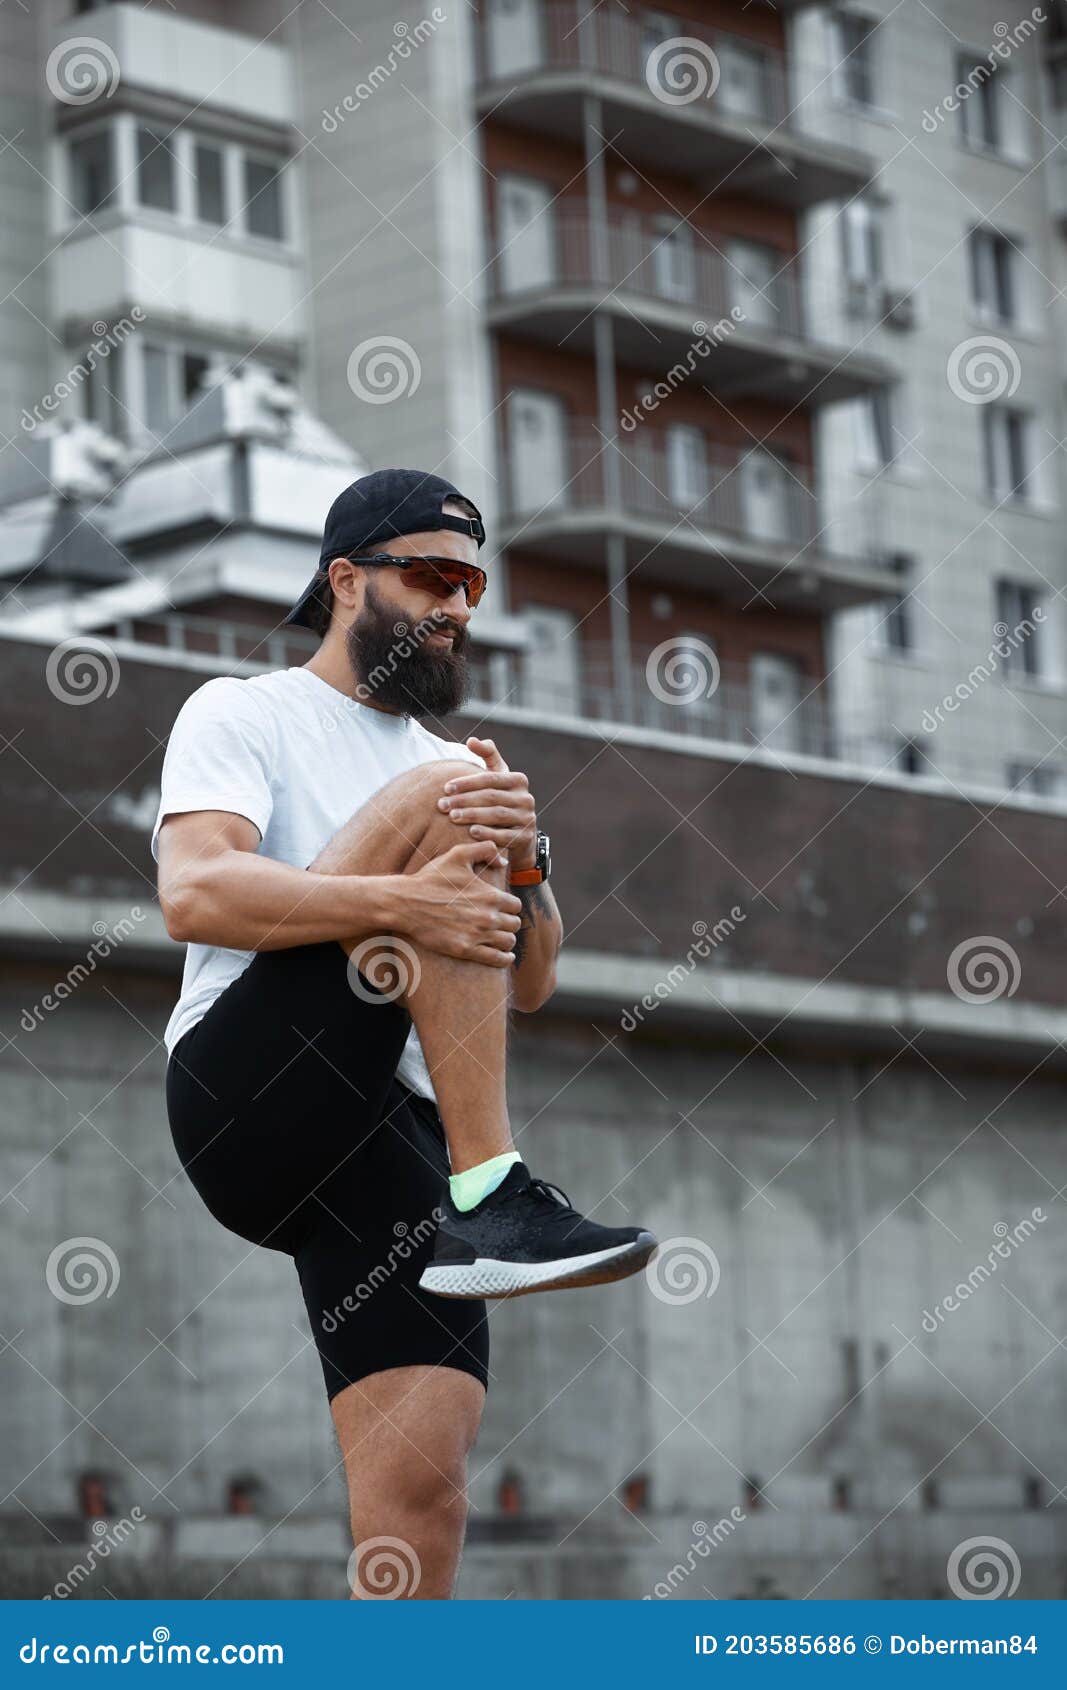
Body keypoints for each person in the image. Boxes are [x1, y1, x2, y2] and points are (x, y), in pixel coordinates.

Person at [155, 468, 657, 1598]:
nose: (456, 605)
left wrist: (521, 865)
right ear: (346, 580)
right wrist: (404, 901)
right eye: (431, 575)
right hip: (254, 1089)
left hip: (388, 1134)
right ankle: (497, 1191)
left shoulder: (450, 765)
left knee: (422, 1491)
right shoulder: (242, 710)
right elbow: (194, 893)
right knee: (449, 796)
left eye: (471, 585)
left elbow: (533, 980)